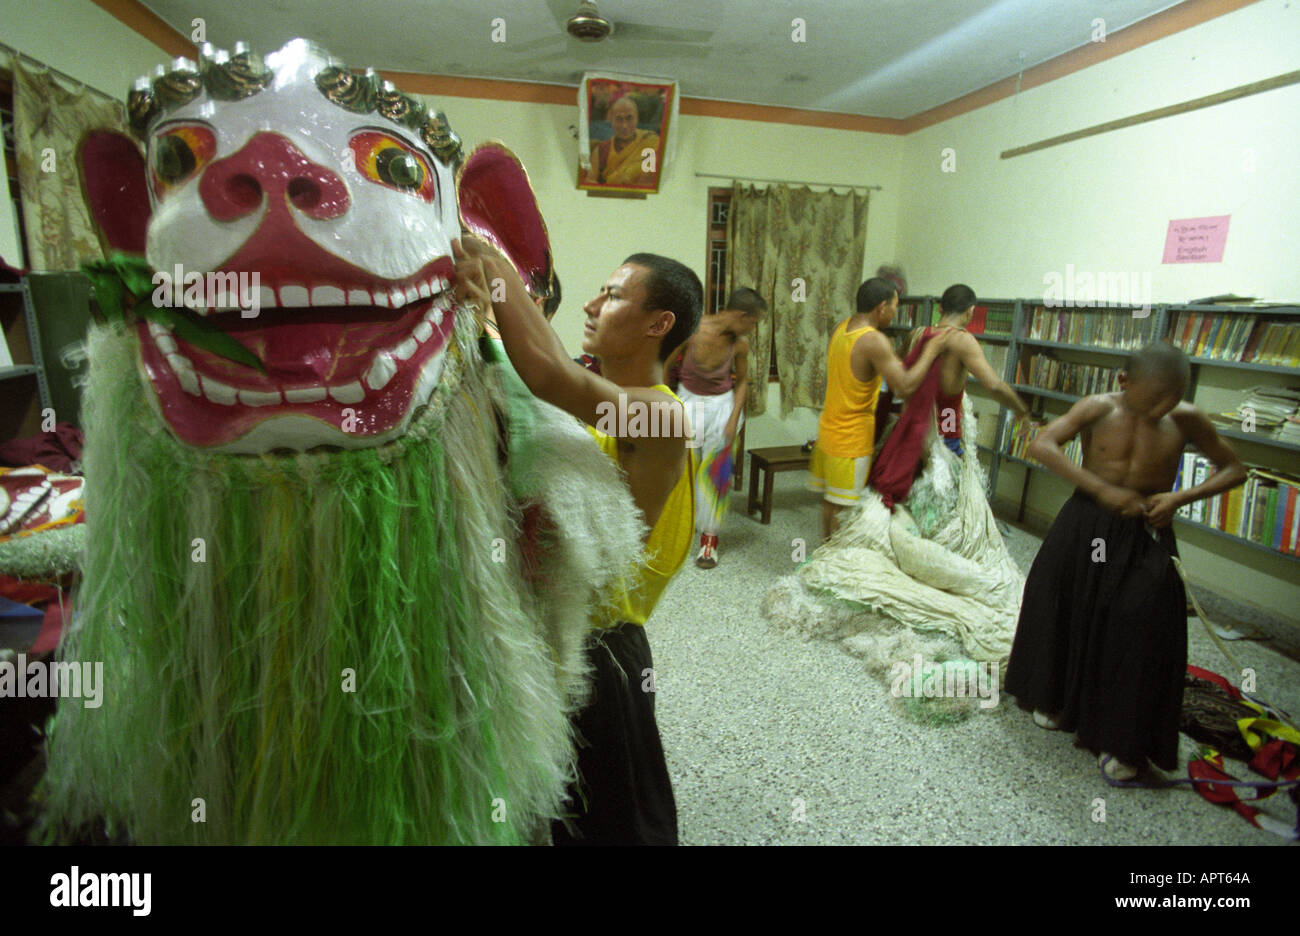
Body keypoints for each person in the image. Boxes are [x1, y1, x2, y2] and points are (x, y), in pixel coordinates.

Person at [454, 236, 700, 845]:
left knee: (611, 824)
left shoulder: (662, 418)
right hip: (556, 639)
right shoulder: (599, 398)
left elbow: (546, 374)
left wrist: (493, 265)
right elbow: (546, 372)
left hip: (603, 656)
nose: (591, 304)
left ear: (658, 325)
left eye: (613, 295)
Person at [1004, 342, 1246, 780]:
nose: (1161, 410)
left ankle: (1121, 739)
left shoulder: (1188, 418)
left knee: (1140, 627)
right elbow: (1042, 444)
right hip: (1087, 522)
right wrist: (1100, 489)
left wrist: (1180, 497)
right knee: (1061, 598)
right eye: (1152, 399)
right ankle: (1056, 698)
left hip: (1145, 531)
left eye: (1170, 401)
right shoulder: (1098, 407)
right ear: (1123, 382)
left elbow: (1234, 469)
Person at [810, 276, 952, 540]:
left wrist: (900, 353)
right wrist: (931, 350)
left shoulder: (843, 329)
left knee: (830, 501)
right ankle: (838, 562)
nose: (895, 312)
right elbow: (904, 388)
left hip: (828, 434)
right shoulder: (873, 340)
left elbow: (870, 368)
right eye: (895, 306)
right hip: (850, 442)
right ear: (882, 307)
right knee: (845, 509)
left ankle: (825, 550)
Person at [664, 287, 766, 567]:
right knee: (683, 471)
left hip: (721, 407)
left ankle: (709, 540)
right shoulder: (692, 330)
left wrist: (733, 418)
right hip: (688, 403)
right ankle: (679, 529)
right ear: (741, 315)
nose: (753, 330)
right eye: (753, 322)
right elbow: (666, 364)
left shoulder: (740, 345)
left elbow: (743, 381)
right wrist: (665, 402)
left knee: (716, 476)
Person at [910, 284, 1029, 458]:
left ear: (941, 308)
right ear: (971, 311)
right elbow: (994, 385)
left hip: (912, 431)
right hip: (946, 431)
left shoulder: (917, 334)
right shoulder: (962, 340)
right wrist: (1022, 410)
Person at [586, 95, 660, 187]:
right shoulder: (601, 150)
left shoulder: (649, 141)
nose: (624, 125)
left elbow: (647, 179)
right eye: (619, 119)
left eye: (629, 118)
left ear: (637, 118)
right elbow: (589, 181)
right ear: (611, 120)